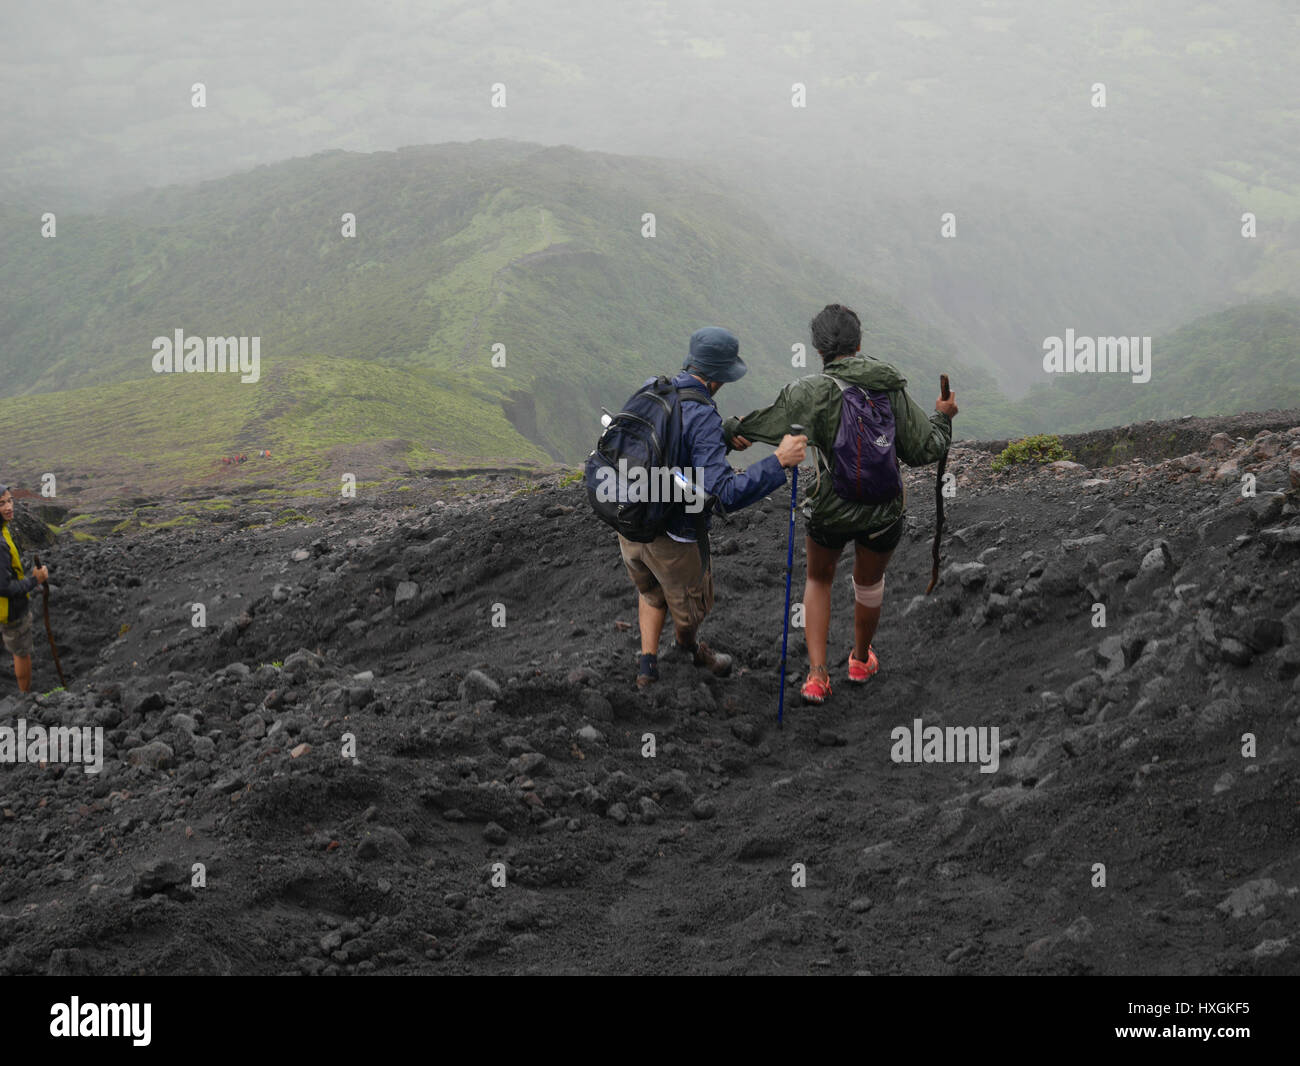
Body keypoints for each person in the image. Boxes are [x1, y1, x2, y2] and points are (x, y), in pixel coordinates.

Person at [724, 304, 958, 705]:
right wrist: (943, 416)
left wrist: (733, 429)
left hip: (830, 508)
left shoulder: (808, 392)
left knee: (819, 580)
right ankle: (860, 660)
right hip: (884, 510)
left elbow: (764, 424)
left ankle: (816, 676)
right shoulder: (889, 385)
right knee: (868, 585)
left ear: (819, 350)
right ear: (859, 342)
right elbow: (924, 449)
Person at [619, 326, 807, 689]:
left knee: (649, 591)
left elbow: (667, 446)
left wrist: (718, 440)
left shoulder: (652, 388)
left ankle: (647, 667)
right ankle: (689, 649)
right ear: (719, 376)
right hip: (674, 536)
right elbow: (722, 494)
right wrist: (778, 462)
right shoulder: (702, 412)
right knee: (690, 610)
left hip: (630, 522)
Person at [0, 486, 49, 694]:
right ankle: (25, 697)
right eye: (2, 503)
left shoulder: (3, 529)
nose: (9, 507)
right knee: (21, 651)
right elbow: (4, 587)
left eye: (10, 501)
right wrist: (34, 580)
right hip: (11, 609)